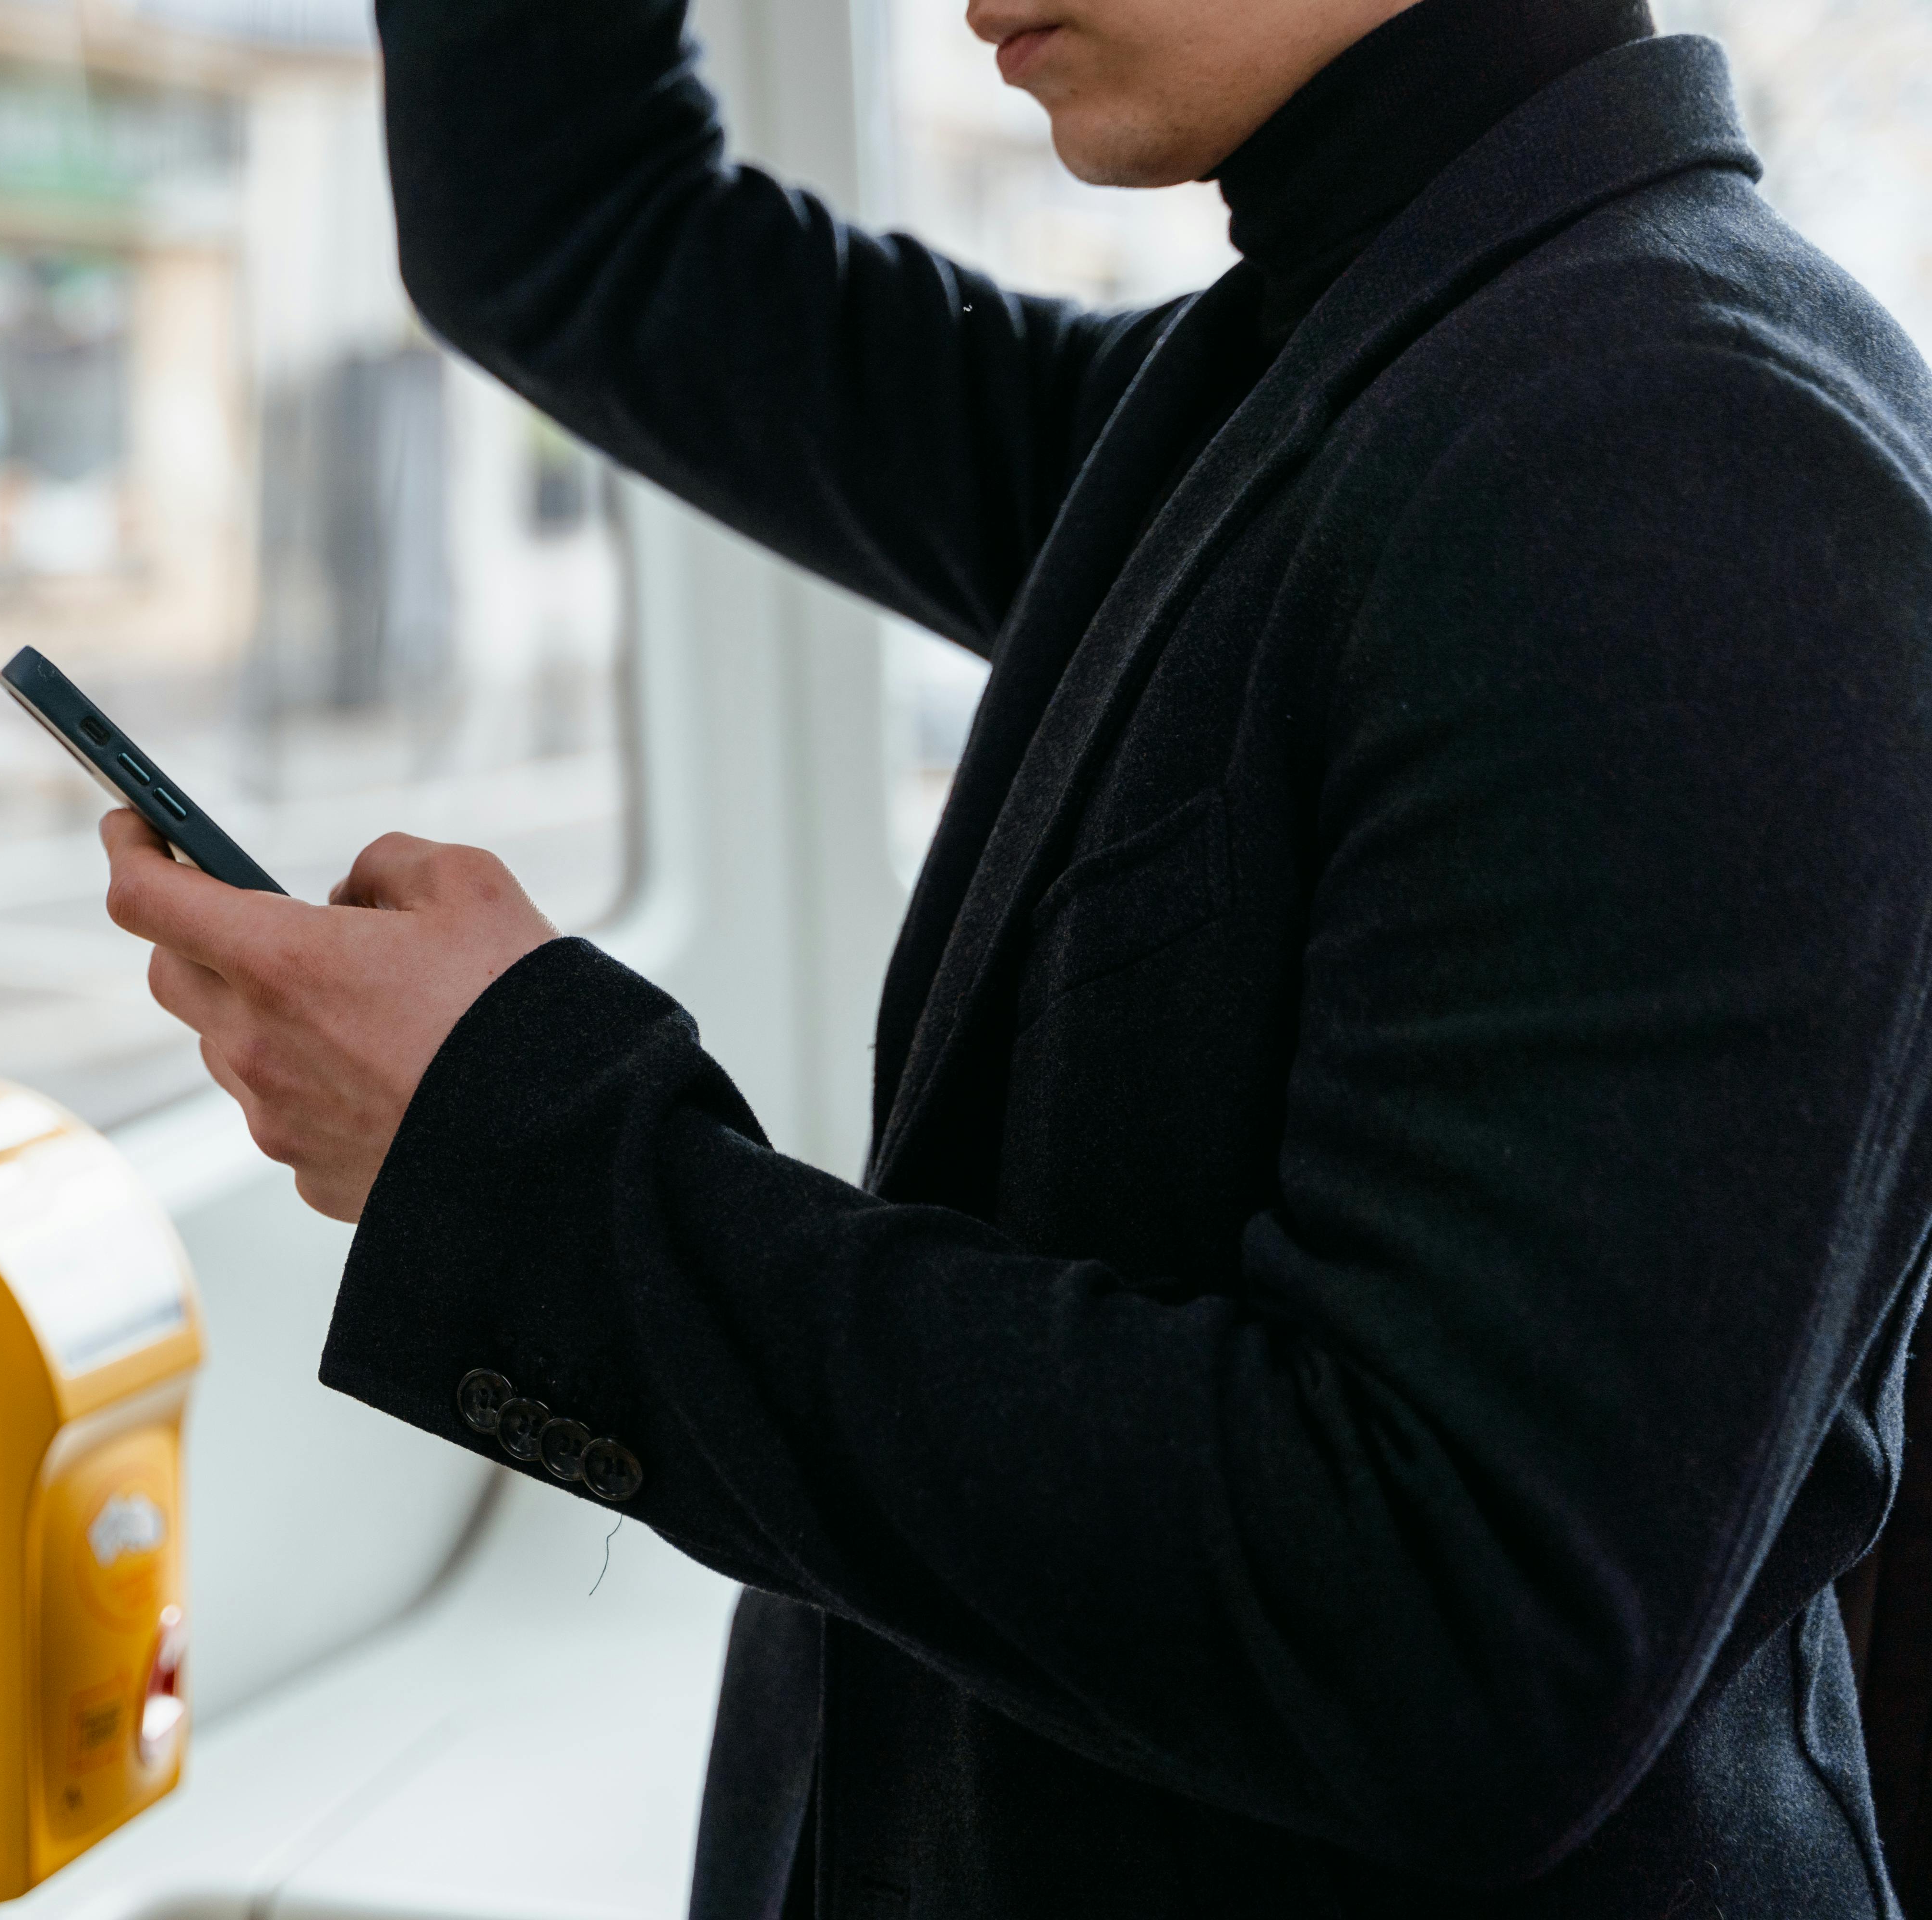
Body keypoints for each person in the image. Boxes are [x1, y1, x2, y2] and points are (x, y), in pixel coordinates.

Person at [101, 0, 1932, 1908]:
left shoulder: (1678, 448)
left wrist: (519, 1149)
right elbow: (569, 226)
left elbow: (1436, 1628)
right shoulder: (1301, 370)